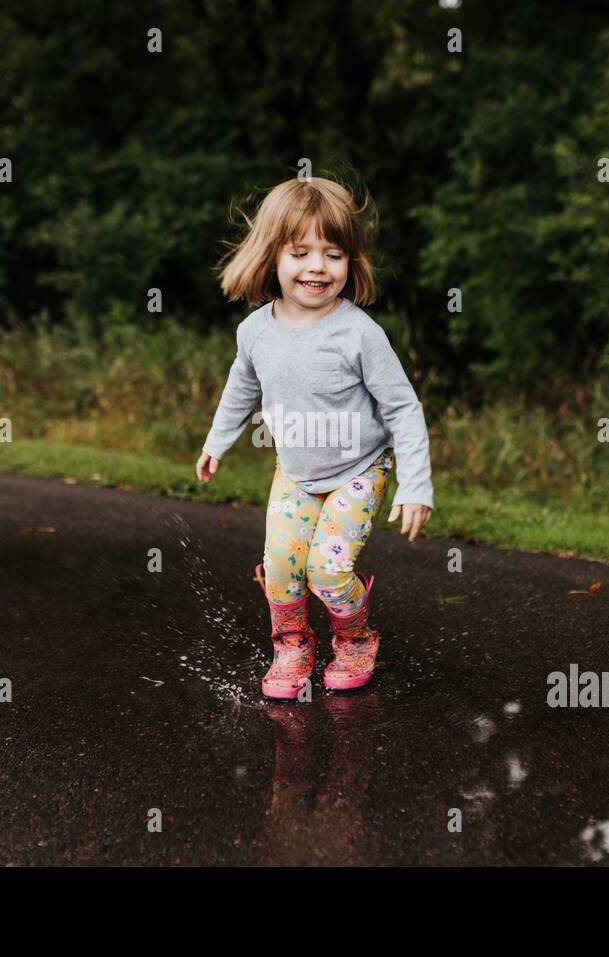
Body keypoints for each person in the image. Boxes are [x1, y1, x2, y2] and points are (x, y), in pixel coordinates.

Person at [195, 176, 434, 698]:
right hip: (296, 473)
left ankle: (354, 638)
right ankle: (293, 645)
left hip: (359, 469)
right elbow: (241, 388)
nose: (318, 267)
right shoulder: (255, 331)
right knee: (282, 567)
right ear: (272, 257)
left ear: (351, 262)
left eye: (333, 253)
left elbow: (403, 408)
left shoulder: (359, 334)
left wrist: (416, 485)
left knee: (326, 570)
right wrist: (216, 442)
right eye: (300, 252)